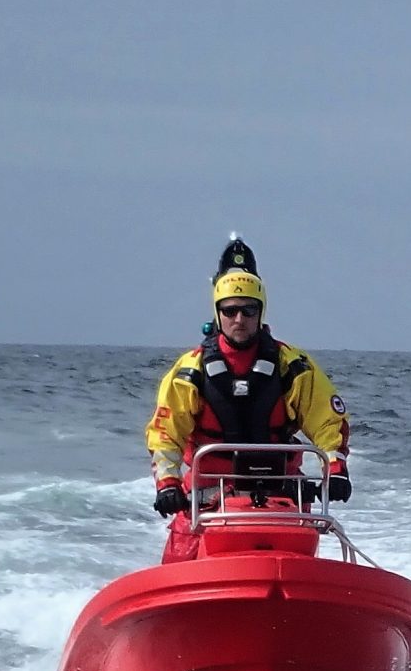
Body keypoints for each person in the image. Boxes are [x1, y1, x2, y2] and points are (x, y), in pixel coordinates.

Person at [143, 238, 351, 561]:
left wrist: (336, 469)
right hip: (206, 508)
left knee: (300, 556)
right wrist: (168, 485)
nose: (239, 319)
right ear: (218, 313)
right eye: (230, 310)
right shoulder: (189, 371)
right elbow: (165, 433)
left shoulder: (293, 367)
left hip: (281, 505)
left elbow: (328, 421)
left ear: (260, 311)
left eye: (248, 310)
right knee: (178, 558)